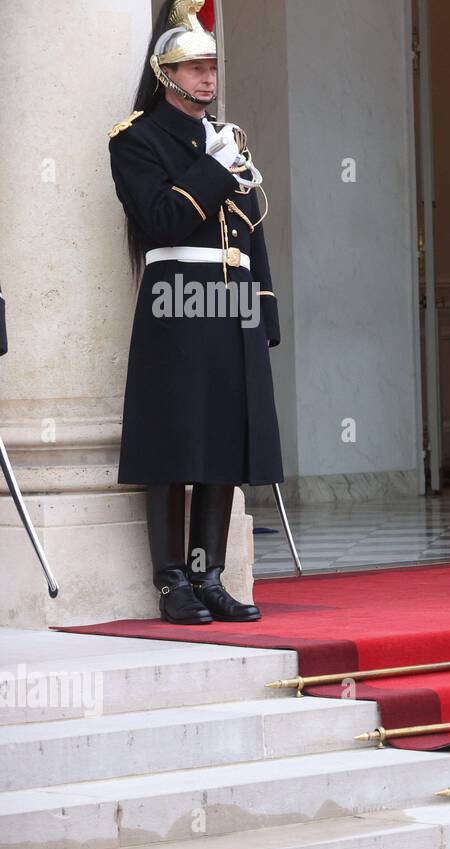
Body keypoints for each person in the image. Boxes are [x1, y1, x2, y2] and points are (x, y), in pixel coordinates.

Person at [109, 0, 281, 625]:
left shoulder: (225, 139)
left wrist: (264, 303)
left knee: (223, 442)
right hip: (176, 300)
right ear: (166, 75)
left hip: (231, 302)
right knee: (176, 442)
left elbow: (249, 231)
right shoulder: (136, 140)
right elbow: (163, 218)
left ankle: (208, 574)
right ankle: (171, 580)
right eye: (194, 68)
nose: (208, 79)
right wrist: (213, 165)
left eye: (212, 67)